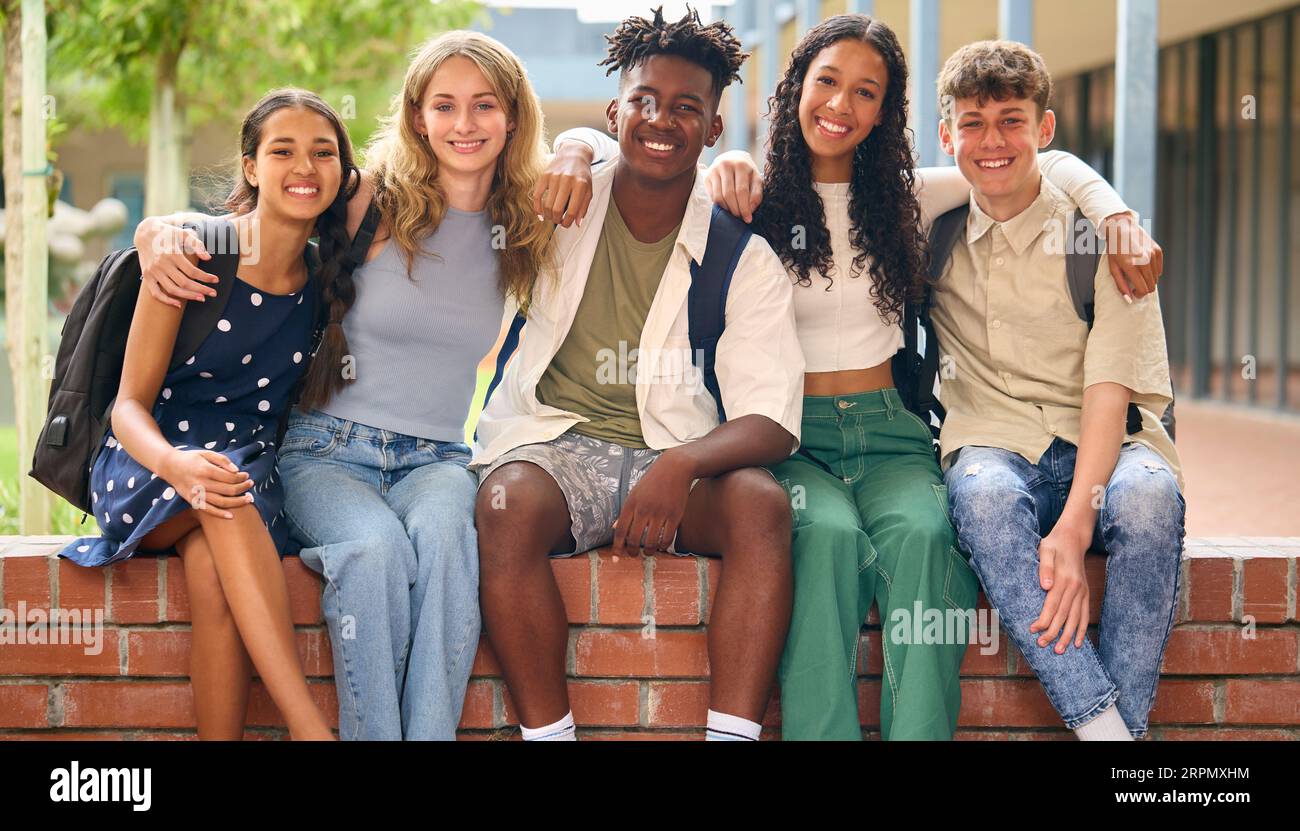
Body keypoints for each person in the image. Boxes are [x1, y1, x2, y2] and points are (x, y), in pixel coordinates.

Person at [553, 12, 1161, 740]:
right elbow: (613, 143)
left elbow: (1042, 160)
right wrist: (570, 145)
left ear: (885, 111)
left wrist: (1114, 210)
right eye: (828, 83)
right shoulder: (744, 192)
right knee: (826, 541)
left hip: (889, 433)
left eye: (865, 93)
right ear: (797, 88)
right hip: (787, 435)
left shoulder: (913, 196)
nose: (841, 106)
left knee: (928, 538)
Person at [133, 32, 588, 740]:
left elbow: (631, 161)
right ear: (417, 117)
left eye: (483, 106)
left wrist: (577, 148)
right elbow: (263, 206)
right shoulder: (371, 199)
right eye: (444, 105)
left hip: (435, 458)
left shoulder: (527, 219)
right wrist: (157, 230)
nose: (463, 124)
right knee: (373, 554)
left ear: (513, 117)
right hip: (326, 452)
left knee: (447, 543)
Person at [473, 7, 804, 742]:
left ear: (715, 129)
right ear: (615, 109)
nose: (661, 120)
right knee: (501, 503)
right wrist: (570, 149)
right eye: (644, 101)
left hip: (676, 454)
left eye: (687, 107)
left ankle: (731, 734)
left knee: (762, 507)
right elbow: (461, 169)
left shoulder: (740, 254)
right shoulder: (557, 205)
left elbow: (774, 420)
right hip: (557, 444)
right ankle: (550, 735)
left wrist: (682, 462)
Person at [60, 89, 350, 740]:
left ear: (342, 171)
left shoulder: (322, 276)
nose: (304, 166)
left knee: (214, 580)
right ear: (251, 167)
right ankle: (310, 728)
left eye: (322, 152)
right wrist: (175, 464)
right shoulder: (195, 253)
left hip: (244, 472)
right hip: (149, 458)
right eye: (283, 151)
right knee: (223, 498)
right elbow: (129, 405)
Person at [933, 40, 1183, 740]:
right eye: (973, 123)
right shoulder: (934, 228)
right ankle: (1109, 731)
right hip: (997, 441)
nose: (992, 142)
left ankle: (1115, 734)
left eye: (1012, 121)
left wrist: (1075, 527)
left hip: (1110, 442)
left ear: (1043, 131)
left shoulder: (1105, 237)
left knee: (1149, 499)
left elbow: (1109, 390)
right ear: (947, 134)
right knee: (980, 496)